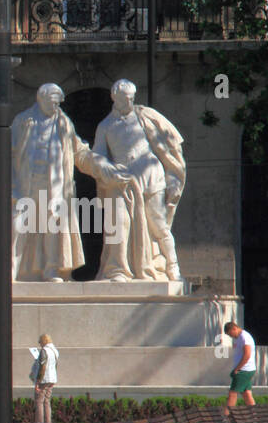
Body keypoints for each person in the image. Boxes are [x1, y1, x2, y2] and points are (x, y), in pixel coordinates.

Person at [82, 78, 186, 282]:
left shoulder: (146, 116)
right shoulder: (106, 125)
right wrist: (106, 167)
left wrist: (172, 176)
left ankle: (172, 265)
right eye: (124, 99)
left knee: (157, 224)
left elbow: (171, 147)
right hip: (124, 181)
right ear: (114, 98)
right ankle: (120, 269)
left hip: (151, 176)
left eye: (131, 98)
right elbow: (98, 154)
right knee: (120, 225)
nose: (128, 103)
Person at [10, 84, 87, 283]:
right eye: (53, 103)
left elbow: (78, 150)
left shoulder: (64, 123)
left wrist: (100, 165)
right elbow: (7, 154)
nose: (56, 107)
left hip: (53, 186)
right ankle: (11, 270)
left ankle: (51, 269)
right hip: (26, 183)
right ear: (41, 99)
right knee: (18, 226)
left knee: (52, 228)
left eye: (58, 103)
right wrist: (10, 184)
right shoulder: (22, 120)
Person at [224, 321, 257, 414]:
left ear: (234, 328)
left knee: (232, 394)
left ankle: (227, 417)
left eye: (231, 334)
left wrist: (237, 369)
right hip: (246, 369)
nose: (231, 336)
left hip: (243, 370)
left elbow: (247, 355)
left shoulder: (244, 337)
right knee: (246, 394)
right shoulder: (239, 337)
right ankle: (254, 415)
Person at [30, 334, 59, 423]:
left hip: (44, 379)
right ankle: (48, 421)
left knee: (39, 401)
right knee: (47, 401)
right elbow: (55, 365)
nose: (39, 343)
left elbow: (43, 367)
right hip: (52, 378)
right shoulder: (54, 350)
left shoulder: (44, 351)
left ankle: (39, 422)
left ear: (44, 341)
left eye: (40, 341)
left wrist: (38, 381)